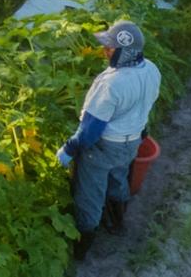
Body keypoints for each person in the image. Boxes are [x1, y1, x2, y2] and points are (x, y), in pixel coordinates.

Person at [58, 19, 162, 256]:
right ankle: (117, 222)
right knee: (117, 178)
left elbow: (91, 129)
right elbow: (146, 105)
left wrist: (69, 150)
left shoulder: (111, 83)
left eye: (110, 48)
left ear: (127, 52)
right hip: (132, 141)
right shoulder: (151, 70)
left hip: (104, 146)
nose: (104, 51)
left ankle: (83, 246)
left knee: (89, 193)